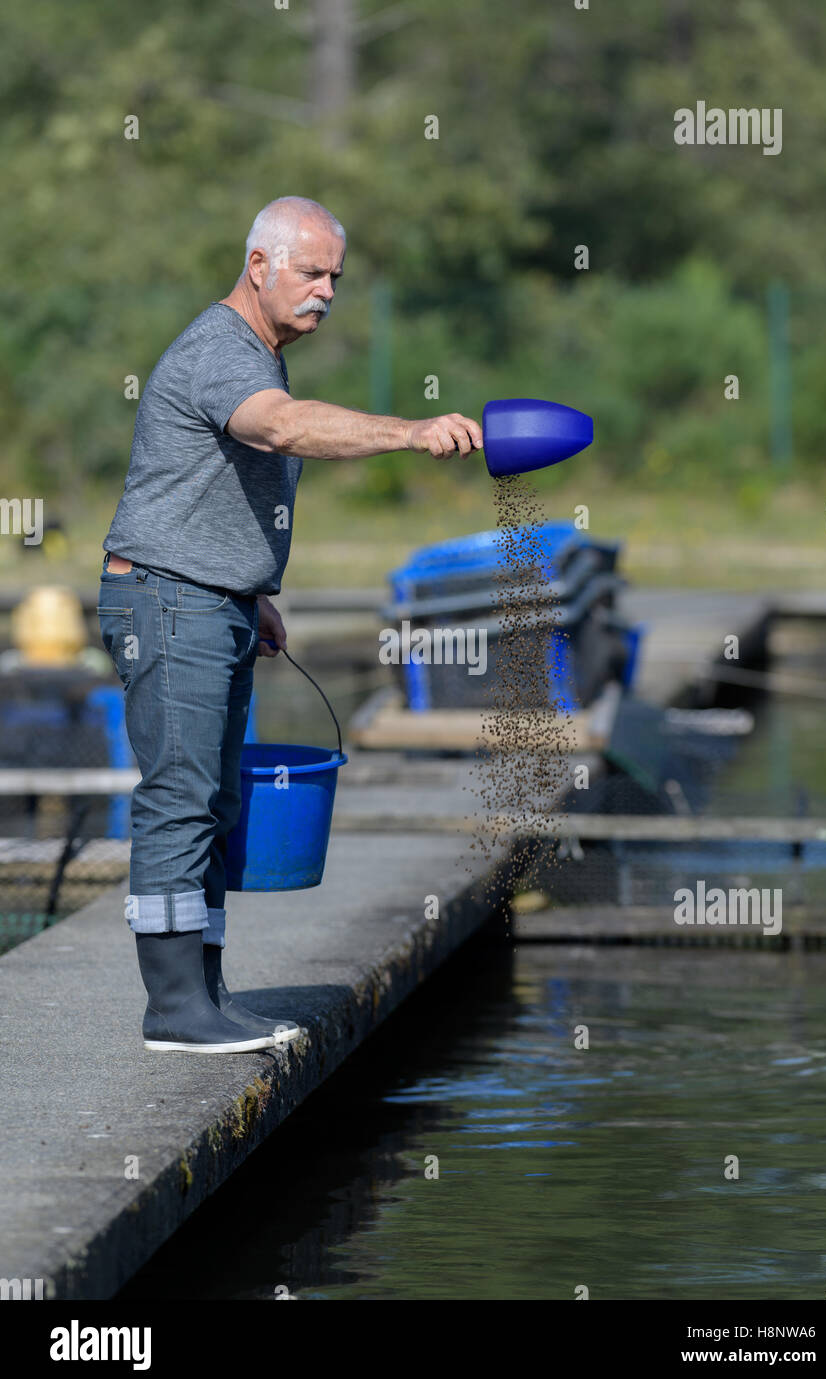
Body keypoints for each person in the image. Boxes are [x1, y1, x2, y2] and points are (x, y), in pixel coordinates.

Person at [99, 196, 483, 1054]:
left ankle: (206, 991)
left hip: (212, 599)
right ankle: (172, 1010)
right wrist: (409, 432)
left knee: (218, 799)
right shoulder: (220, 352)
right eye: (311, 273)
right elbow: (280, 431)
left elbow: (203, 489)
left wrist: (251, 594)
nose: (327, 293)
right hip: (166, 603)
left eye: (336, 278)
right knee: (181, 798)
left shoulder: (258, 354)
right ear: (260, 265)